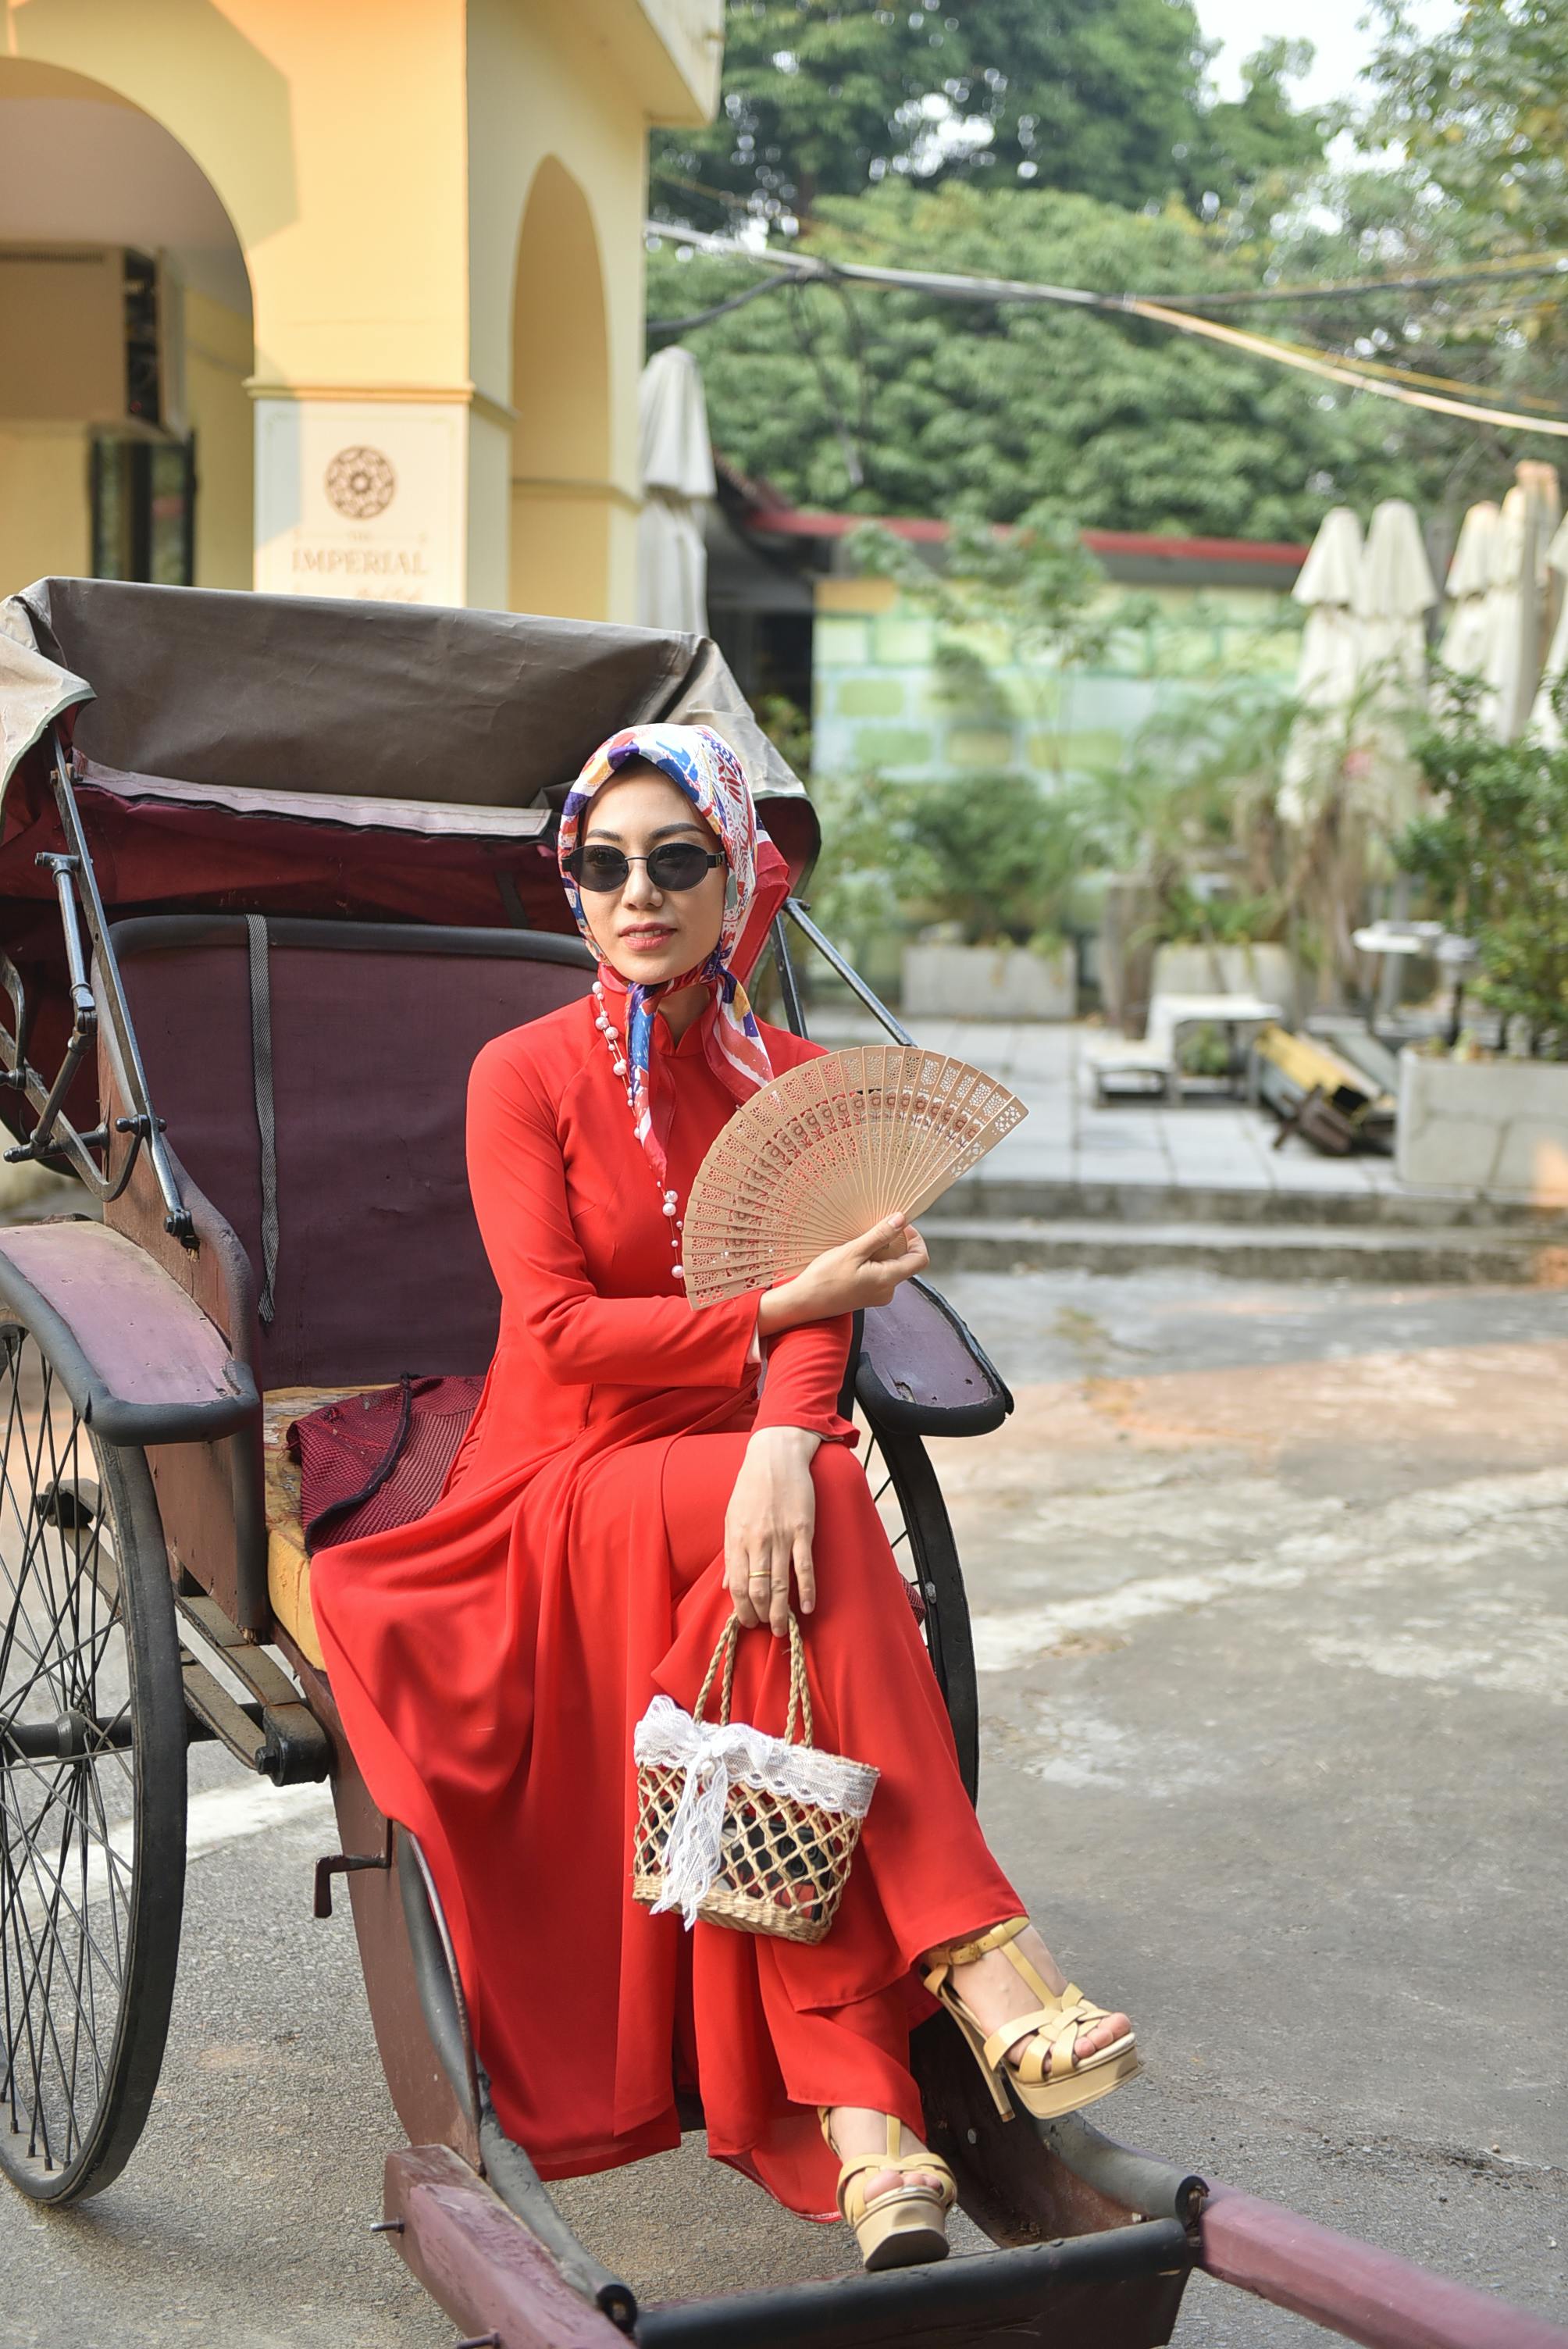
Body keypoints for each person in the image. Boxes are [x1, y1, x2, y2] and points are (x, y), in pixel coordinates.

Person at [310, 723, 1137, 2272]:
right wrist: (777, 1327)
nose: (636, 893)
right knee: (823, 1512)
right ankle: (978, 1958)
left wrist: (777, 1440)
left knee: (782, 1600)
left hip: (735, 1474)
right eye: (600, 864)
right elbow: (558, 1332)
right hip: (560, 1484)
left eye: (675, 859)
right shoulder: (523, 1074)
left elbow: (823, 1331)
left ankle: (864, 2125)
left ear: (739, 878)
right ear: (572, 887)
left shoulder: (800, 1085)